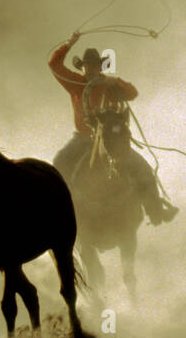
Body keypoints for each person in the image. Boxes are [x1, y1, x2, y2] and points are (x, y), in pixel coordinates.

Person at [48, 31, 177, 224]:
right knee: (59, 163)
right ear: (82, 68)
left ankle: (155, 211)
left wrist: (115, 81)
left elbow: (132, 93)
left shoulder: (110, 85)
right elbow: (54, 65)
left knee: (143, 170)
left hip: (112, 140)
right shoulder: (76, 83)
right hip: (83, 138)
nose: (90, 70)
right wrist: (69, 43)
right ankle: (55, 214)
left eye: (94, 66)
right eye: (87, 66)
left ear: (100, 68)